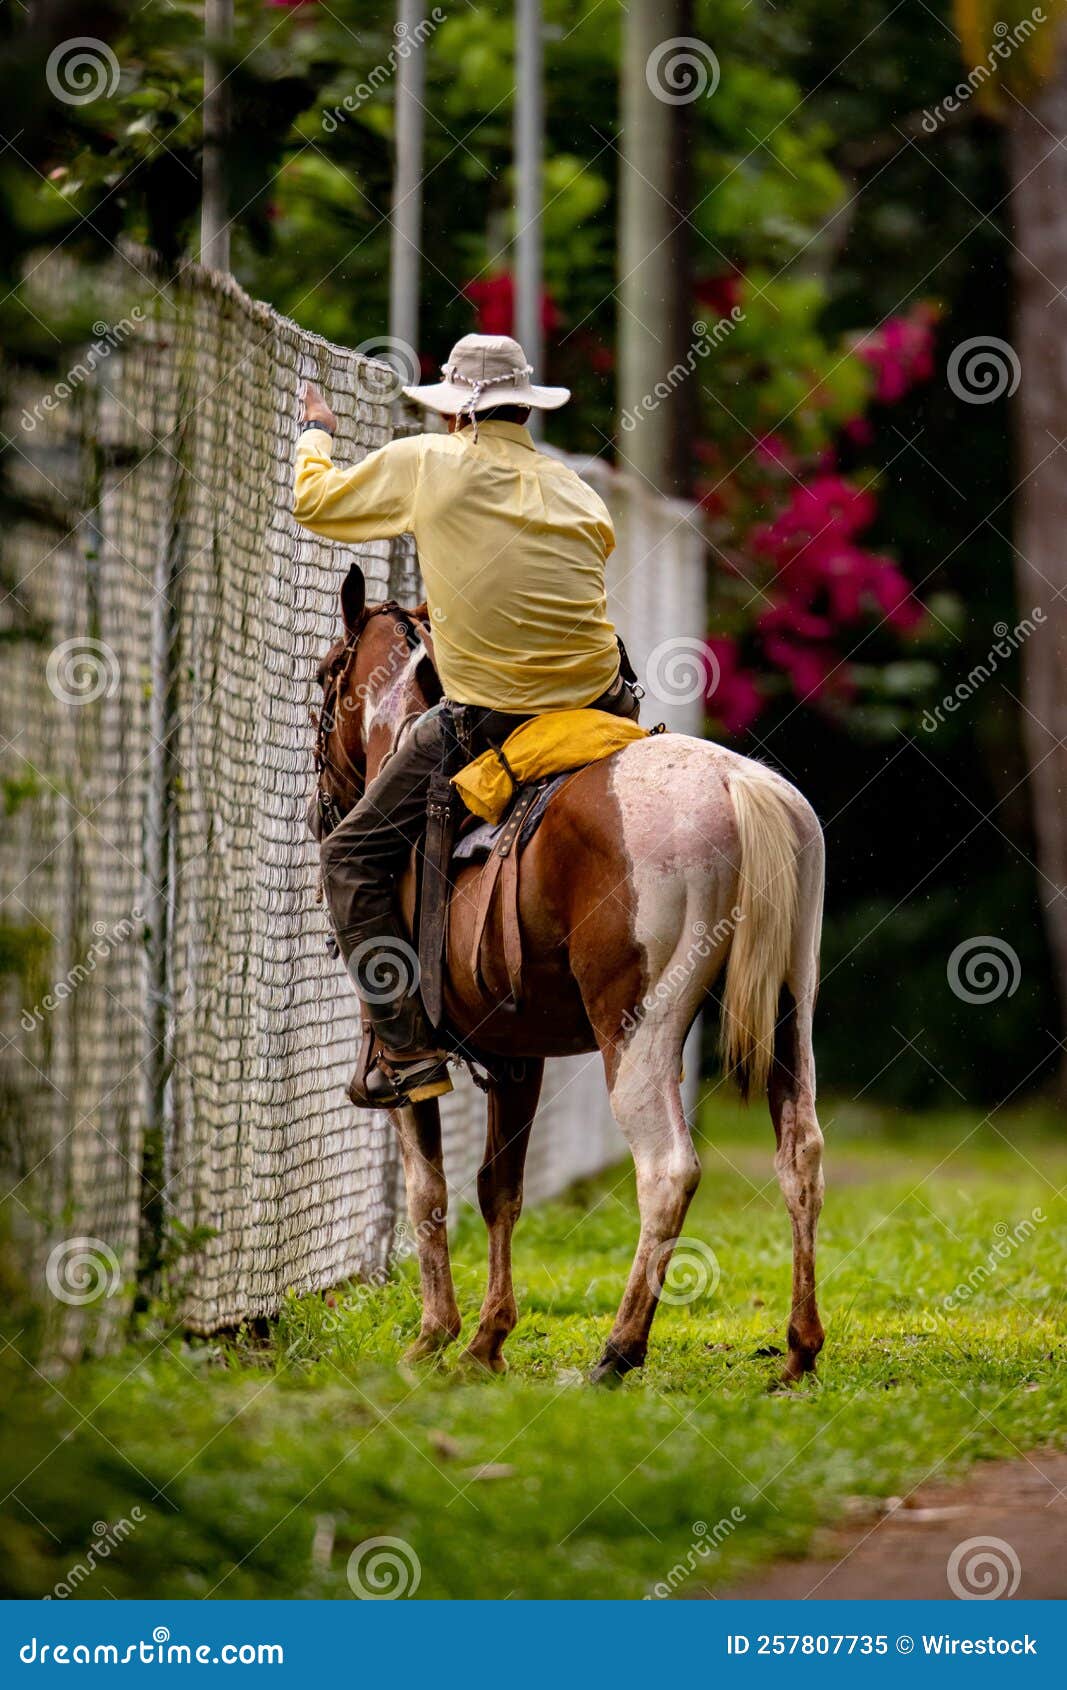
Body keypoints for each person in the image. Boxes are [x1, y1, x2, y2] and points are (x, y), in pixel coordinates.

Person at [293, 332, 638, 1107]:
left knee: (349, 854)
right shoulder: (578, 491)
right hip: (603, 699)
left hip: (491, 713)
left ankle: (407, 1050)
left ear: (455, 413)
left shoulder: (428, 461)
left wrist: (317, 431)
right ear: (525, 406)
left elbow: (313, 502)